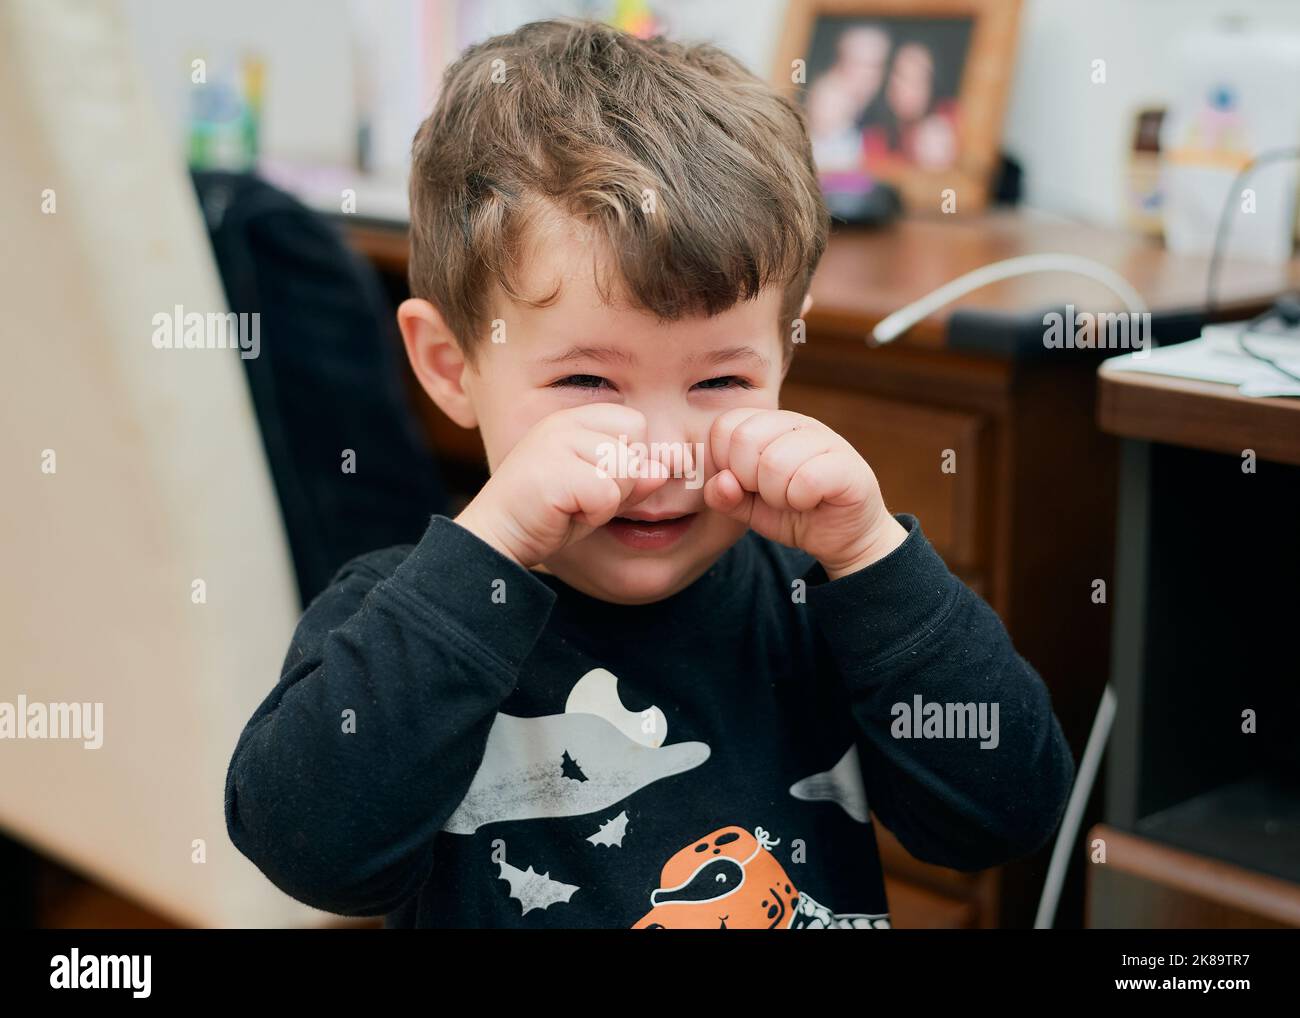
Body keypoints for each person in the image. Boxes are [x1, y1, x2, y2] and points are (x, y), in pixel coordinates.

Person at [224, 18, 1074, 929]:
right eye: (588, 381)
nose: (657, 452)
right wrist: (496, 546)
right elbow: (310, 848)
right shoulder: (405, 617)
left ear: (786, 357)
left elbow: (1006, 814)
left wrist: (873, 557)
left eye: (721, 380)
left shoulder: (825, 608)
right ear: (447, 364)